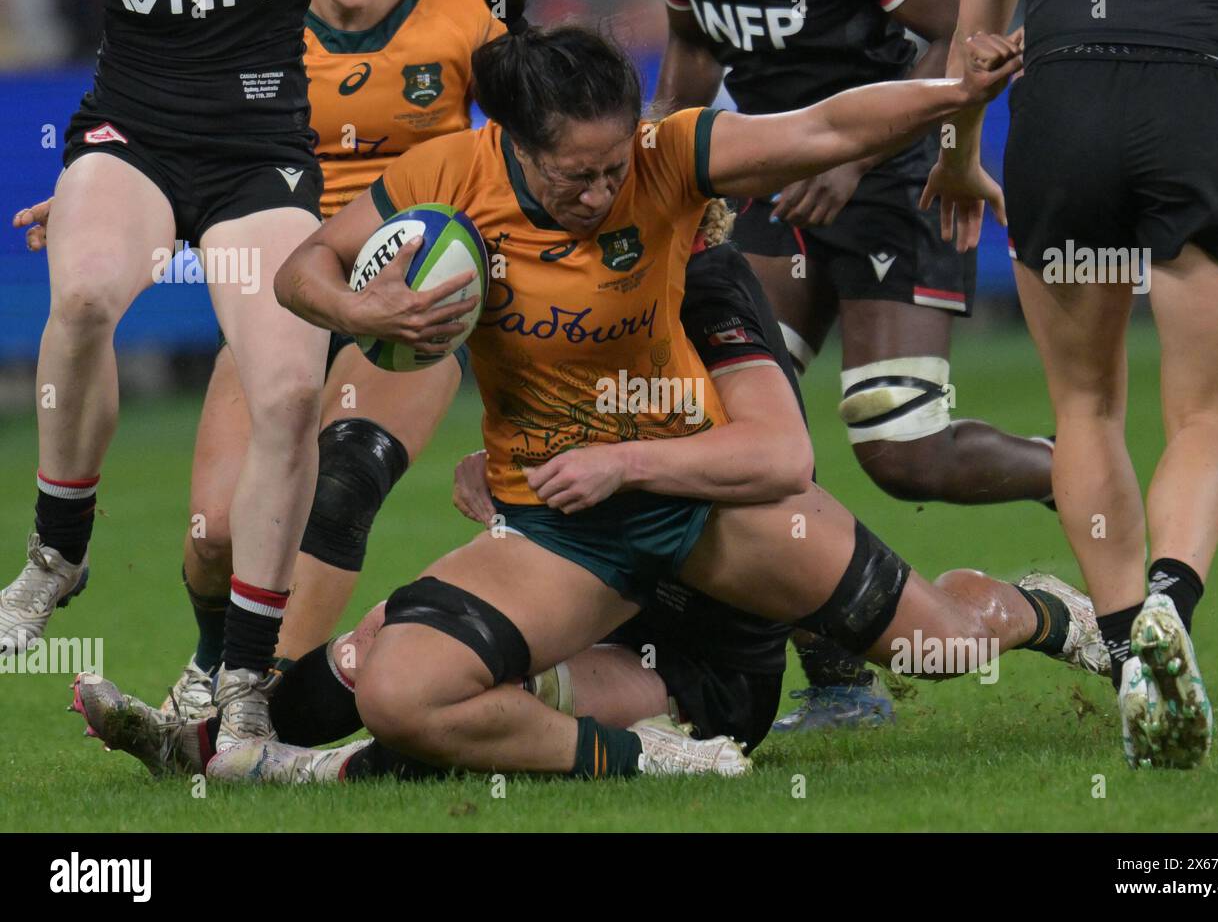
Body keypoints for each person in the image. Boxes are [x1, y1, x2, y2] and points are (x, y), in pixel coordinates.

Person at [225, 0, 1111, 782]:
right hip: (564, 532)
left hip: (698, 499)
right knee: (398, 692)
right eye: (577, 176)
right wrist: (366, 313)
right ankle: (648, 758)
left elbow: (824, 128)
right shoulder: (450, 175)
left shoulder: (668, 153)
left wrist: (955, 93)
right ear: (518, 148)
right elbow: (304, 269)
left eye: (614, 168)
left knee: (947, 648)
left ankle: (1046, 612)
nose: (601, 192)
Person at [74, 221, 1099, 780]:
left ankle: (1044, 609)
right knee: (391, 655)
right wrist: (505, 467)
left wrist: (610, 466)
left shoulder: (703, 283)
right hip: (596, 576)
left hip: (714, 604)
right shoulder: (538, 273)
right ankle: (204, 742)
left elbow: (776, 455)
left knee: (945, 645)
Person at [10, 0, 503, 722]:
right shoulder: (271, 23)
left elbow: (526, 145)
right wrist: (100, 197)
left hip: (392, 291)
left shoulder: (459, 17)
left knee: (340, 479)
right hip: (278, 259)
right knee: (213, 535)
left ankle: (247, 696)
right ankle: (192, 654)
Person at [650, 0, 1058, 730]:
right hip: (774, 184)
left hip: (894, 179)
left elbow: (959, 28)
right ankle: (839, 681)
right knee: (729, 428)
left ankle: (1073, 472)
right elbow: (691, 43)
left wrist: (854, 158)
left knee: (901, 449)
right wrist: (658, 158)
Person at [920, 0, 1218, 768]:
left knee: (1085, 407)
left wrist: (959, 156)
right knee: (1208, 413)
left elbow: (971, 48)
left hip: (1064, 99)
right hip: (1199, 98)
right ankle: (1167, 605)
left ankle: (1125, 655)